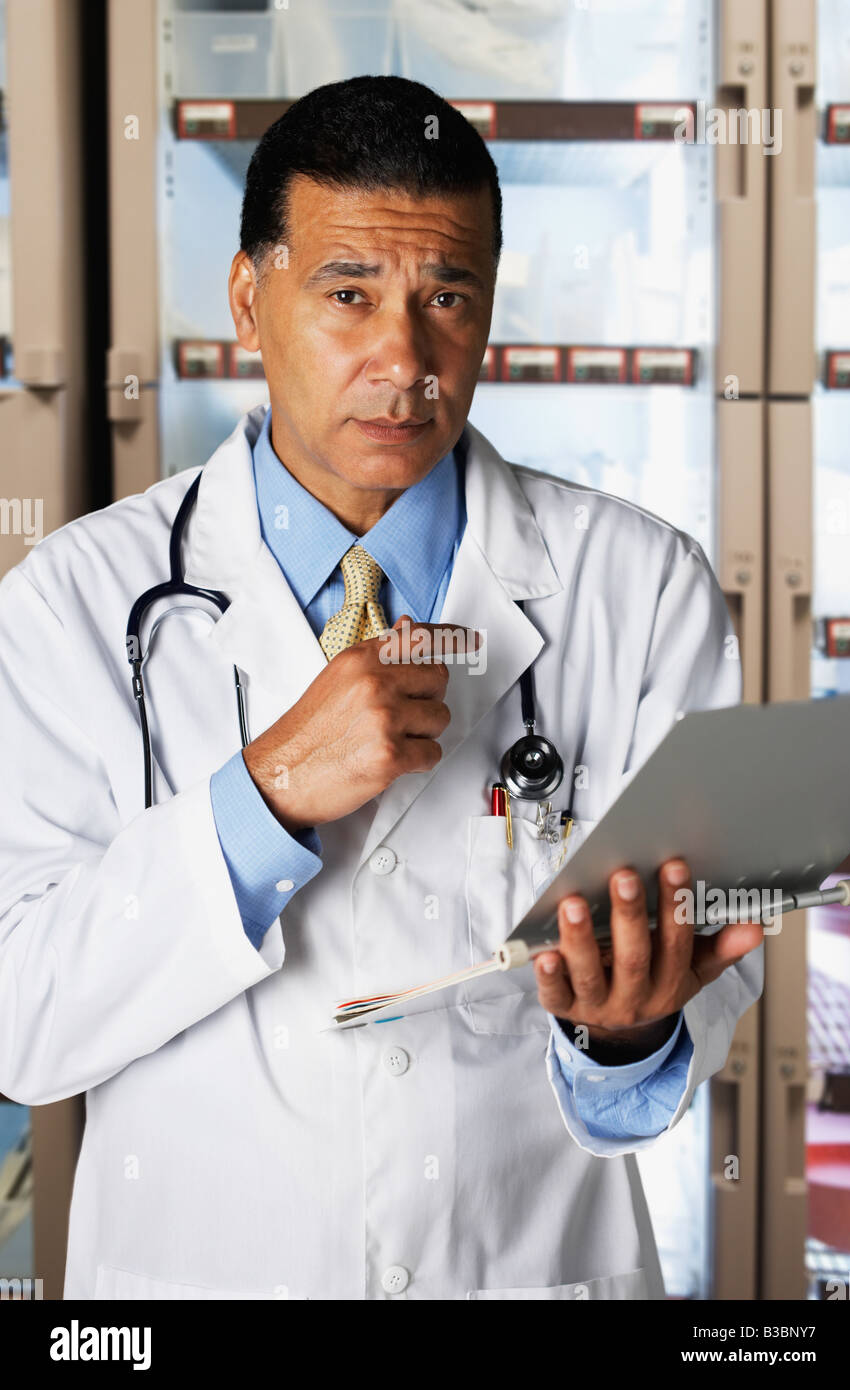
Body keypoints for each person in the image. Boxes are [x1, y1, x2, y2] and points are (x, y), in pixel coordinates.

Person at [0, 75, 762, 1301]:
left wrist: (624, 1033)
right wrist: (264, 797)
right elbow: (19, 1016)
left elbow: (710, 980)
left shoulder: (638, 588)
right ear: (250, 298)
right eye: (346, 294)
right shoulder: (76, 602)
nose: (402, 360)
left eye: (444, 298)